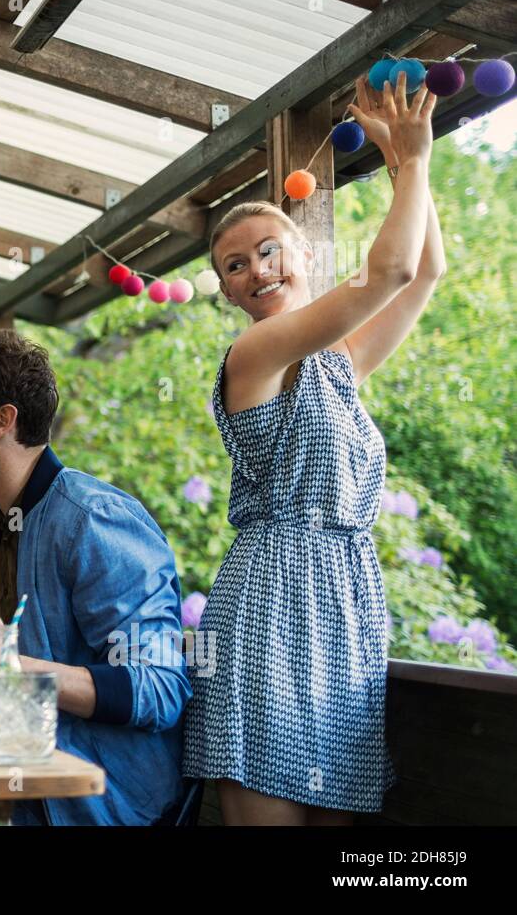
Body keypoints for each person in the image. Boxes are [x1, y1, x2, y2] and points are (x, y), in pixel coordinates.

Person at [181, 73, 443, 824]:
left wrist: (400, 163)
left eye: (270, 250)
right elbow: (390, 270)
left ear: (305, 254)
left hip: (346, 608)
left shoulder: (341, 362)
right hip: (271, 601)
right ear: (229, 293)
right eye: (236, 266)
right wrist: (416, 160)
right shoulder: (255, 354)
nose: (257, 269)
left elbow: (424, 271)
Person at [0, 328, 190, 825]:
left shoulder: (93, 519)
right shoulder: (9, 517)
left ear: (2, 420)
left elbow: (159, 688)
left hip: (110, 810)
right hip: (33, 803)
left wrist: (7, 662)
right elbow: (33, 666)